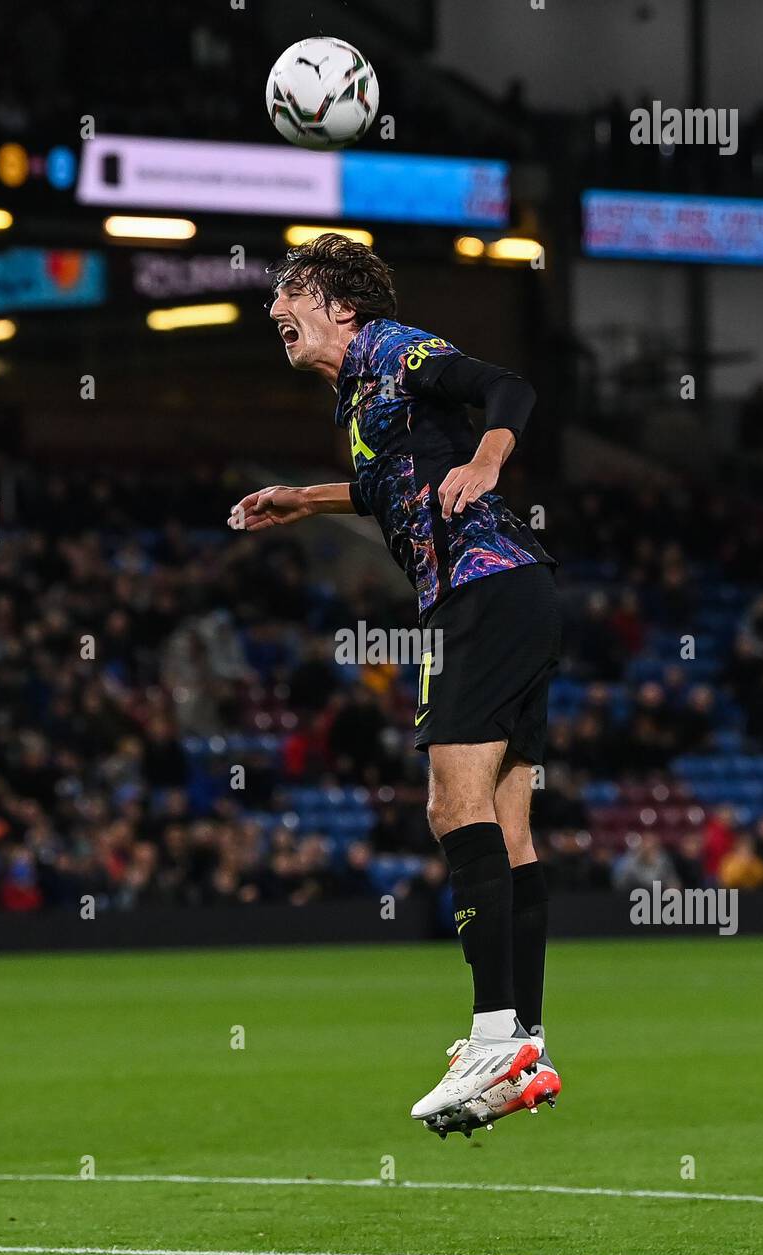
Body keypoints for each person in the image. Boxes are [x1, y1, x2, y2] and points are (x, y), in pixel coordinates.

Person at [228, 234, 560, 1137]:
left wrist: (489, 461)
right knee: (509, 823)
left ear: (341, 305)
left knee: (454, 809)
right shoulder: (364, 399)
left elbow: (508, 389)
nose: (274, 309)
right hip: (516, 592)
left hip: (480, 591)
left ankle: (493, 1036)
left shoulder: (391, 349)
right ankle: (524, 1041)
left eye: (290, 292)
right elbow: (391, 486)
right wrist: (305, 496)